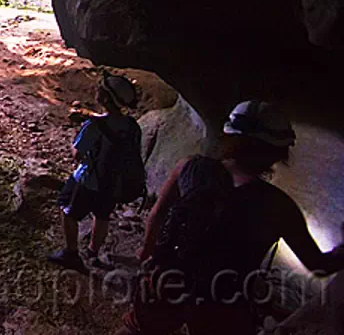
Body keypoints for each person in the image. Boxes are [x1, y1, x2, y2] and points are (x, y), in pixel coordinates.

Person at [118, 100, 344, 335]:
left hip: (166, 284)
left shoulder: (189, 168)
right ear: (278, 153)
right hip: (222, 301)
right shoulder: (278, 206)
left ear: (229, 136)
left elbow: (158, 214)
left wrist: (147, 256)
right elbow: (318, 265)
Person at [48, 71, 144, 273]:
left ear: (107, 98)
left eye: (101, 88)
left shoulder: (94, 125)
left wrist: (75, 143)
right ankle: (93, 252)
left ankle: (71, 253)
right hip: (112, 184)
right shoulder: (132, 126)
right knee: (102, 216)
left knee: (68, 210)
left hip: (87, 180)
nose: (96, 89)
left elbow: (78, 153)